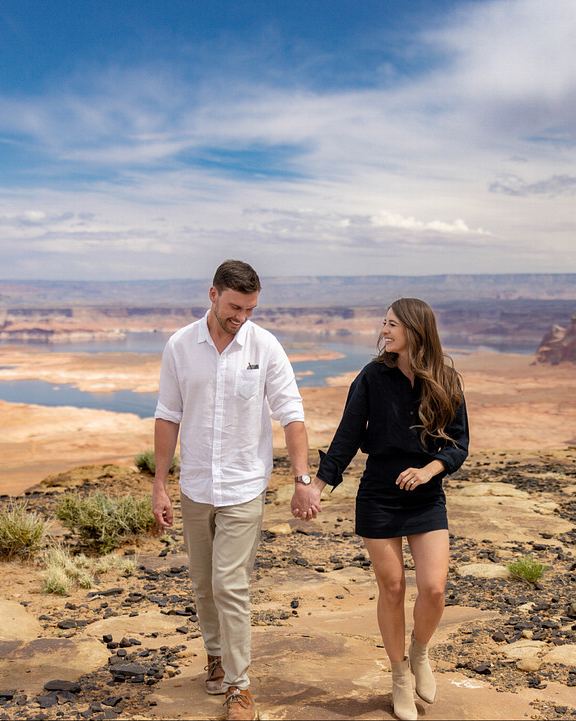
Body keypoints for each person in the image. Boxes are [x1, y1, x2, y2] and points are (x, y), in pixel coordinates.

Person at [292, 297, 469, 721]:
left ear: (415, 330)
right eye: (384, 324)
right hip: (379, 496)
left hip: (426, 496)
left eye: (392, 325)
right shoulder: (372, 376)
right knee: (392, 588)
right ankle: (399, 676)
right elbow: (347, 435)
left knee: (434, 589)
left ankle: (420, 652)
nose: (384, 331)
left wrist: (430, 470)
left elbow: (459, 443)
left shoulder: (446, 378)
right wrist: (316, 486)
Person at [151, 259, 311, 721]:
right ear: (213, 294)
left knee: (229, 584)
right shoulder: (180, 346)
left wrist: (301, 480)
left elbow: (292, 415)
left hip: (244, 486)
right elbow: (168, 415)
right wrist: (160, 485)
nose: (242, 317)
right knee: (204, 585)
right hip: (197, 485)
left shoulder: (265, 346)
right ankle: (216, 656)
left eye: (251, 309)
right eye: (235, 307)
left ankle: (239, 687)